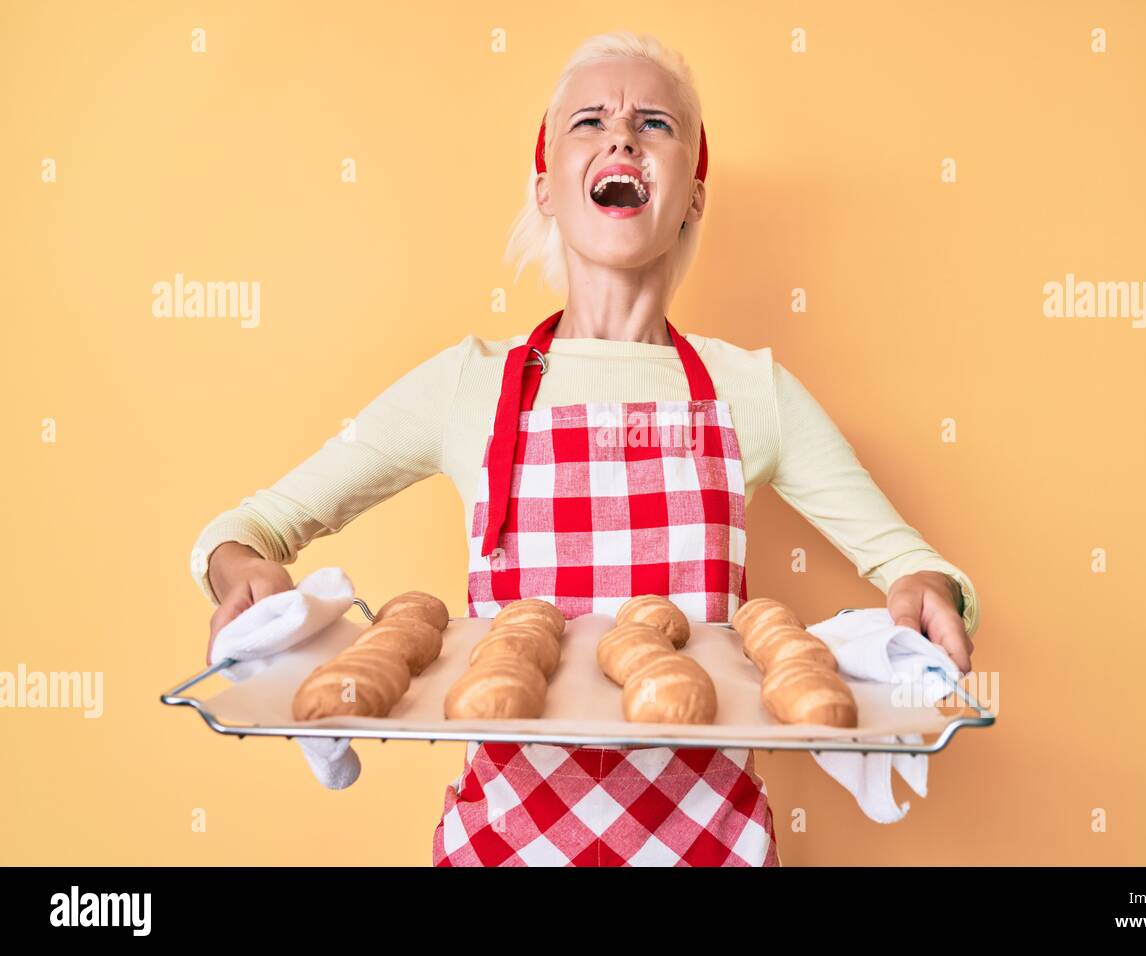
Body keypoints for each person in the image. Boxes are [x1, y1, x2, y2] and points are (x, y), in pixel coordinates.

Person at [193, 31, 979, 867]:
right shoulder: (470, 385)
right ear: (545, 190)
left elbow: (920, 572)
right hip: (502, 843)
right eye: (589, 122)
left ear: (693, 199)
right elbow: (248, 530)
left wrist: (931, 597)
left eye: (655, 123)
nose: (622, 137)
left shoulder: (751, 391)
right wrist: (239, 571)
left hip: (710, 846)